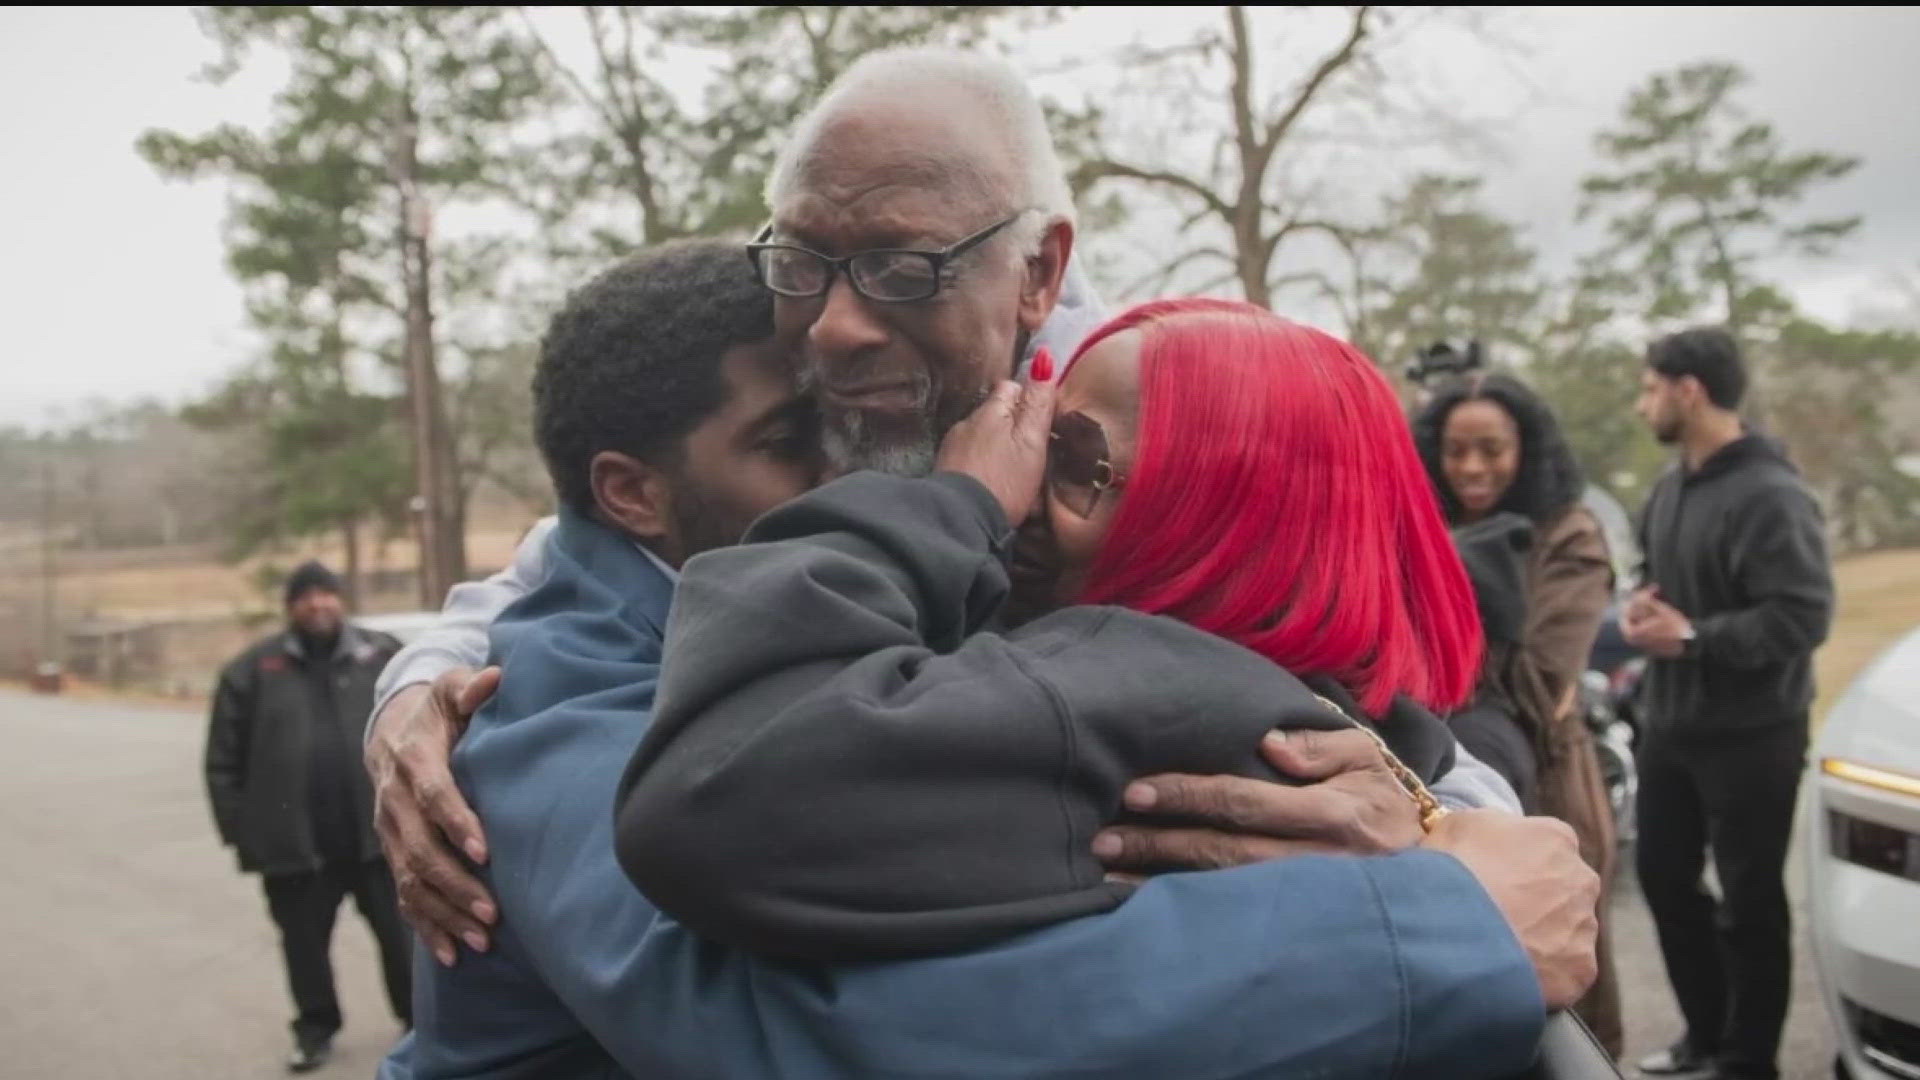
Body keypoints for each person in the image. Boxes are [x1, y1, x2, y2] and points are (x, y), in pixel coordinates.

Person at [362, 45, 1529, 969]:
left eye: (903, 269)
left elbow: (1340, 635)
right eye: (801, 261)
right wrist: (415, 689)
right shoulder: (822, 378)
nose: (835, 327)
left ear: (1039, 274)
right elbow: (589, 554)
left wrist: (1452, 838)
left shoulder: (1127, 407)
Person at [387, 244, 1588, 1079]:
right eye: (795, 437)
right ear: (632, 494)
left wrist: (1441, 812)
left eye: (870, 410)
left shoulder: (958, 612)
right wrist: (1432, 926)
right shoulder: (536, 711)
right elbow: (804, 1034)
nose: (865, 463)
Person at [616, 298, 1520, 960]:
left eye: (1074, 455)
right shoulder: (1349, 731)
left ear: (1218, 510)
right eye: (1034, 439)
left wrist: (950, 504)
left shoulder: (1126, 686)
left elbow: (709, 792)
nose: (1021, 493)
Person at [1625, 328, 1834, 1080]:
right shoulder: (1670, 487)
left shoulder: (1772, 493)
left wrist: (1693, 637)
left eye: (1651, 388)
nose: (1643, 403)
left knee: (1750, 903)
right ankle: (1707, 1037)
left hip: (1755, 734)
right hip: (1670, 726)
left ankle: (1750, 1062)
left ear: (1690, 391)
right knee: (1662, 877)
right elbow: (1658, 575)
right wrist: (1644, 607)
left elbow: (1804, 617)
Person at [1413, 372, 1623, 1057]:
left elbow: (1541, 676)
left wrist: (1434, 637)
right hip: (1438, 774)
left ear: (1526, 449)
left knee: (1567, 973)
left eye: (1492, 449)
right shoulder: (1427, 526)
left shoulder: (1568, 534)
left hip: (1547, 773)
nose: (1473, 467)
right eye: (1456, 451)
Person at [204, 561, 412, 1072]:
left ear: (341, 599)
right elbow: (222, 763)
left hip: (378, 839)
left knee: (406, 942)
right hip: (296, 849)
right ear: (290, 606)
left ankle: (421, 1025)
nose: (318, 603)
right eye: (306, 596)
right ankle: (315, 1030)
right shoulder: (252, 670)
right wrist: (243, 835)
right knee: (303, 950)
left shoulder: (381, 655)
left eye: (327, 593)